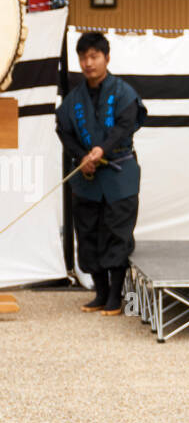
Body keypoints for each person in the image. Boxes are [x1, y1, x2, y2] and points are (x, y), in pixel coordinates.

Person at [55, 31, 146, 315]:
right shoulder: (74, 98)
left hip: (119, 172)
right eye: (83, 57)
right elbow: (64, 130)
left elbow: (125, 125)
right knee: (88, 231)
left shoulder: (123, 92)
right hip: (87, 175)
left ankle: (116, 296)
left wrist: (101, 149)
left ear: (106, 58)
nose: (88, 63)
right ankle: (100, 293)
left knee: (116, 232)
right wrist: (82, 156)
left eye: (94, 56)